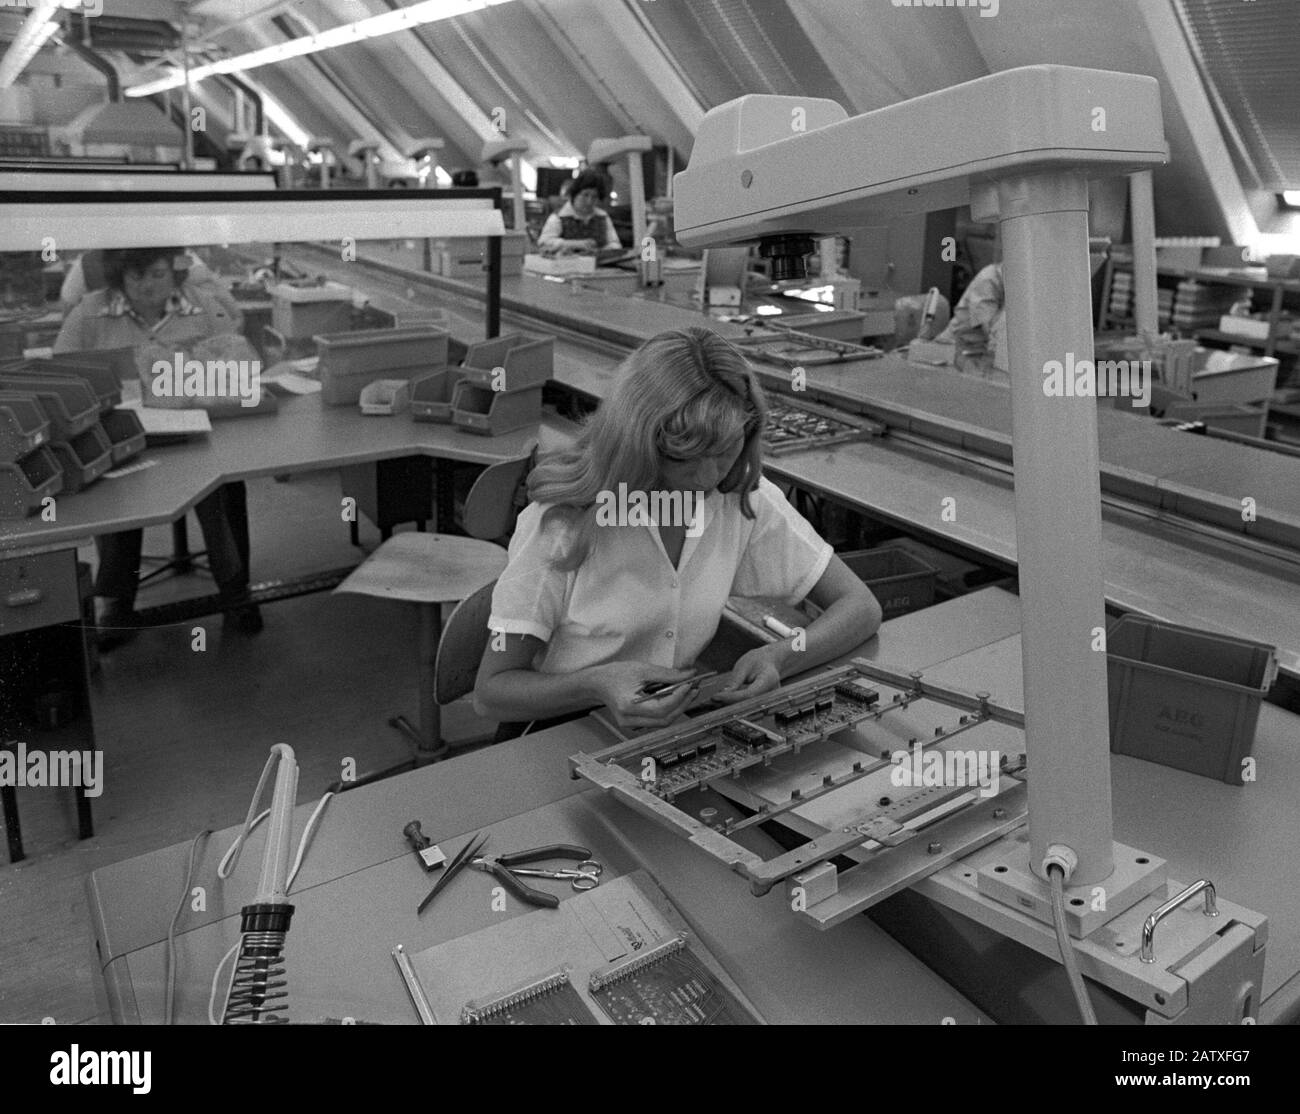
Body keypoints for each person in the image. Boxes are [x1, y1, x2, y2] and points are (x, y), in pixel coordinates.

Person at [474, 327, 882, 736]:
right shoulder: (565, 521)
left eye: (725, 451)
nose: (707, 477)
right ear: (638, 442)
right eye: (684, 457)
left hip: (662, 729)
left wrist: (781, 656)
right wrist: (596, 684)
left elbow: (860, 606)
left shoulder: (739, 498)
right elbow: (491, 692)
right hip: (554, 732)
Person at [54, 246, 262, 648]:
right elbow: (64, 372)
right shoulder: (88, 313)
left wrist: (196, 374)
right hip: (122, 436)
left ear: (175, 272)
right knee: (114, 492)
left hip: (195, 430)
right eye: (135, 277)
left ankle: (237, 594)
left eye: (157, 274)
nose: (147, 286)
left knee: (221, 486)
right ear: (118, 278)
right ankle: (118, 602)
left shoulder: (201, 303)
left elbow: (238, 363)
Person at [537, 169, 620, 254]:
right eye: (585, 195)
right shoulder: (558, 217)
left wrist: (604, 250)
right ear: (574, 194)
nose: (589, 201)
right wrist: (575, 244)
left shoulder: (603, 216)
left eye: (594, 197)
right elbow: (544, 242)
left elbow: (615, 243)